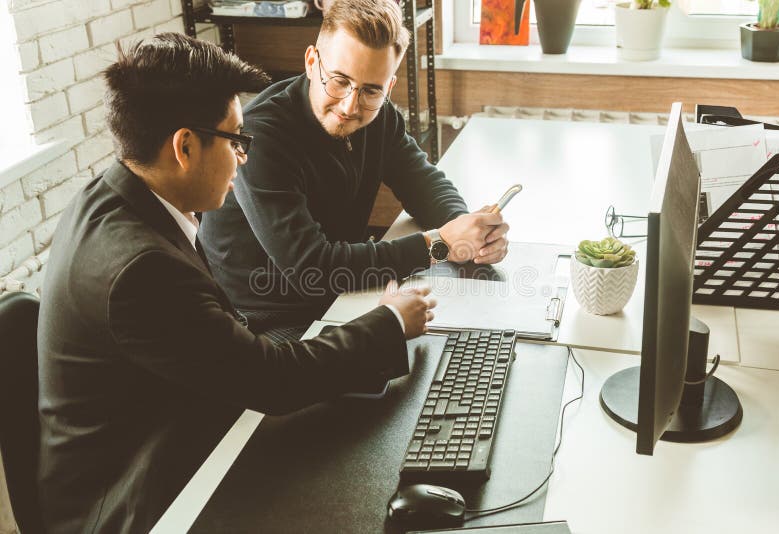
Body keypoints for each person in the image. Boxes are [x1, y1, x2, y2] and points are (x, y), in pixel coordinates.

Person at [36, 33, 434, 534]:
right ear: (185, 146)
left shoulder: (113, 194)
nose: (244, 157)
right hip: (131, 500)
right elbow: (270, 379)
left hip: (165, 427)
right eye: (236, 139)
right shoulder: (142, 270)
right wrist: (391, 322)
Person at [199, 0, 510, 337]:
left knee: (465, 336)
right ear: (311, 62)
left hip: (340, 293)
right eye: (339, 81)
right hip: (264, 319)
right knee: (399, 372)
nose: (350, 105)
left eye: (371, 90)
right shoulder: (261, 138)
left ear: (388, 87)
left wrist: (469, 231)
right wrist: (440, 243)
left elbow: (424, 184)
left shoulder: (380, 116)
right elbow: (313, 270)